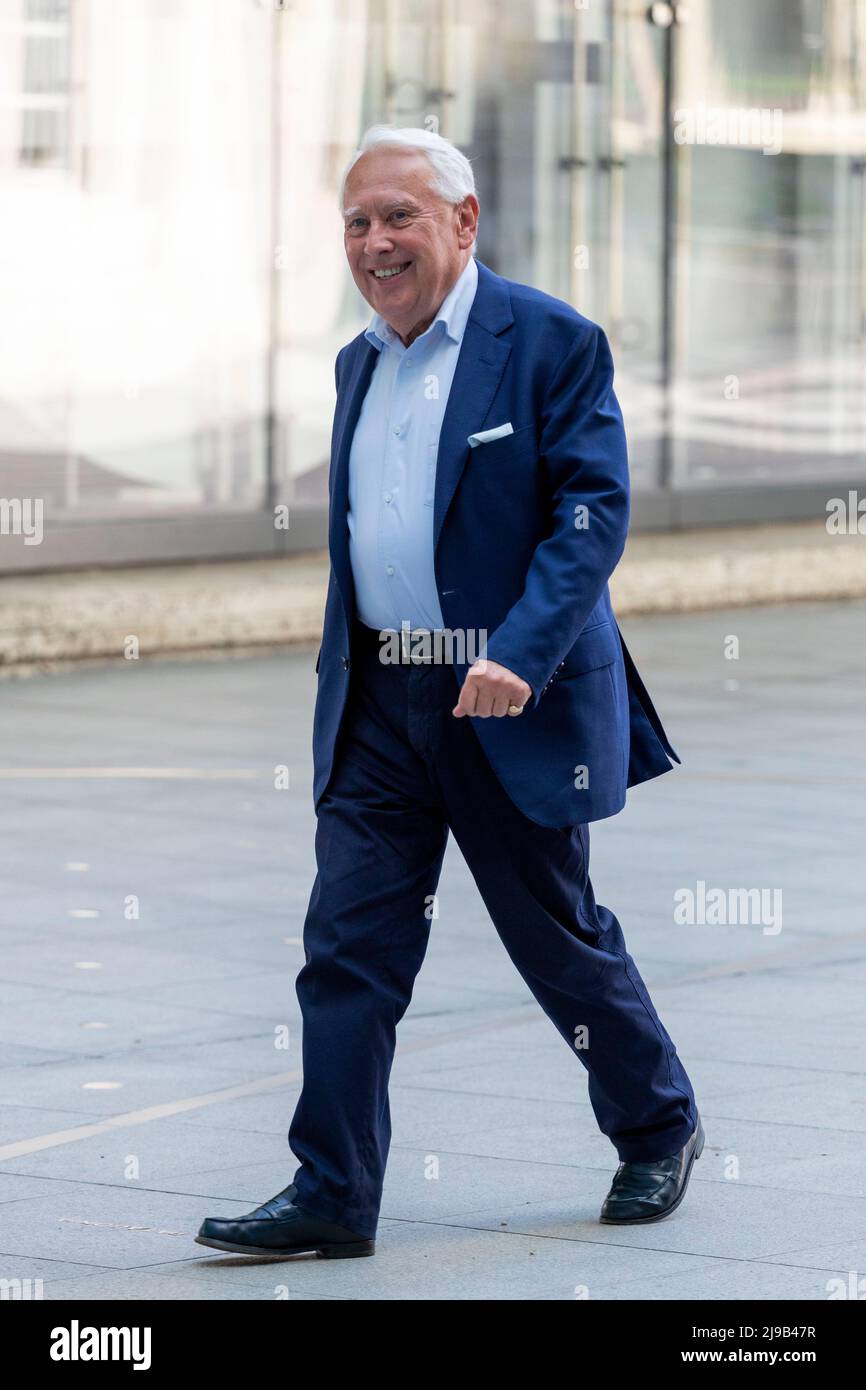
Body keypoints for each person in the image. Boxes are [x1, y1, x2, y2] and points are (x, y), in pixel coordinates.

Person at [197, 125, 703, 1262]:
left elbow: (589, 518)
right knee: (347, 945)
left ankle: (658, 1124)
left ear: (462, 223)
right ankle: (331, 1188)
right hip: (382, 700)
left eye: (398, 218)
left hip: (503, 696)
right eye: (356, 222)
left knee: (555, 941)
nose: (374, 243)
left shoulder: (549, 344)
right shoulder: (356, 362)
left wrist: (520, 649)